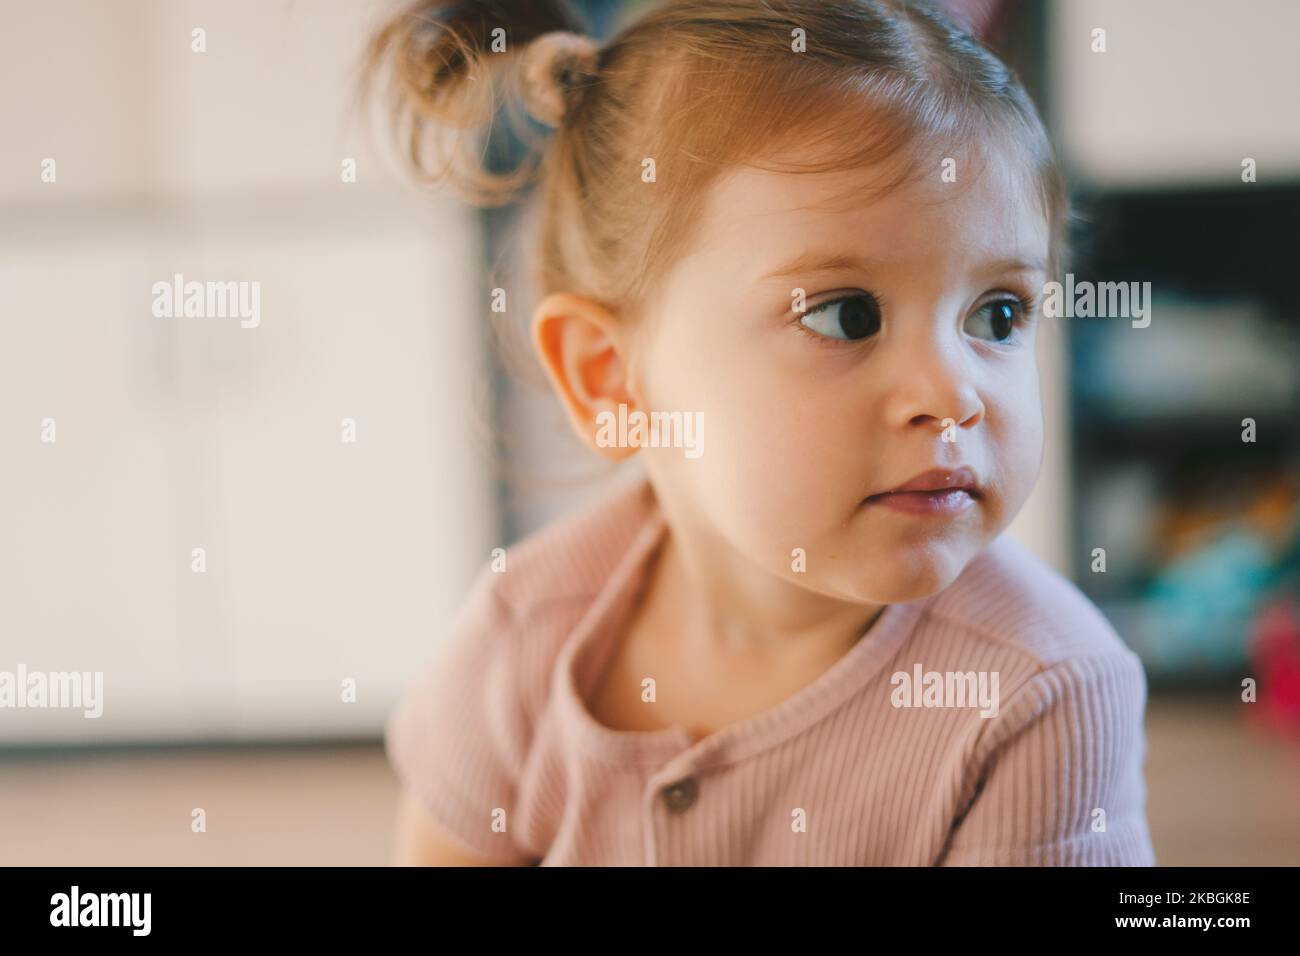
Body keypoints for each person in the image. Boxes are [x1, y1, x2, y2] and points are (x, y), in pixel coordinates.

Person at [366, 0, 1155, 866]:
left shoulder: (1043, 692)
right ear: (612, 377)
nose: (953, 396)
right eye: (847, 316)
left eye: (998, 314)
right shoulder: (523, 637)